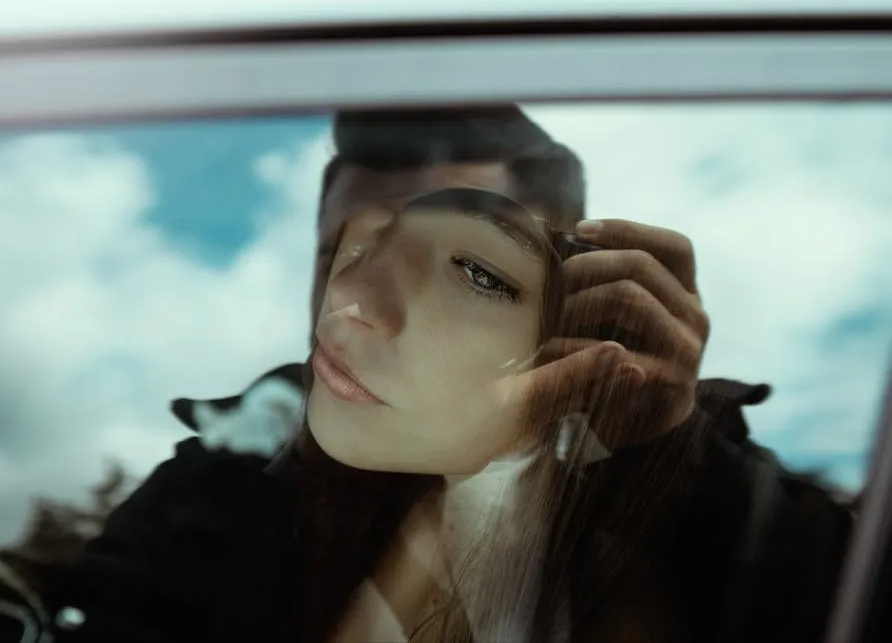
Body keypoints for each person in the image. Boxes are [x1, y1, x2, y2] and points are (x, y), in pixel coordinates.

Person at [34, 107, 852, 643]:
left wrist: (675, 462)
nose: (359, 307)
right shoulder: (225, 481)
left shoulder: (680, 468)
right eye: (342, 257)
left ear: (573, 283)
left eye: (464, 266)